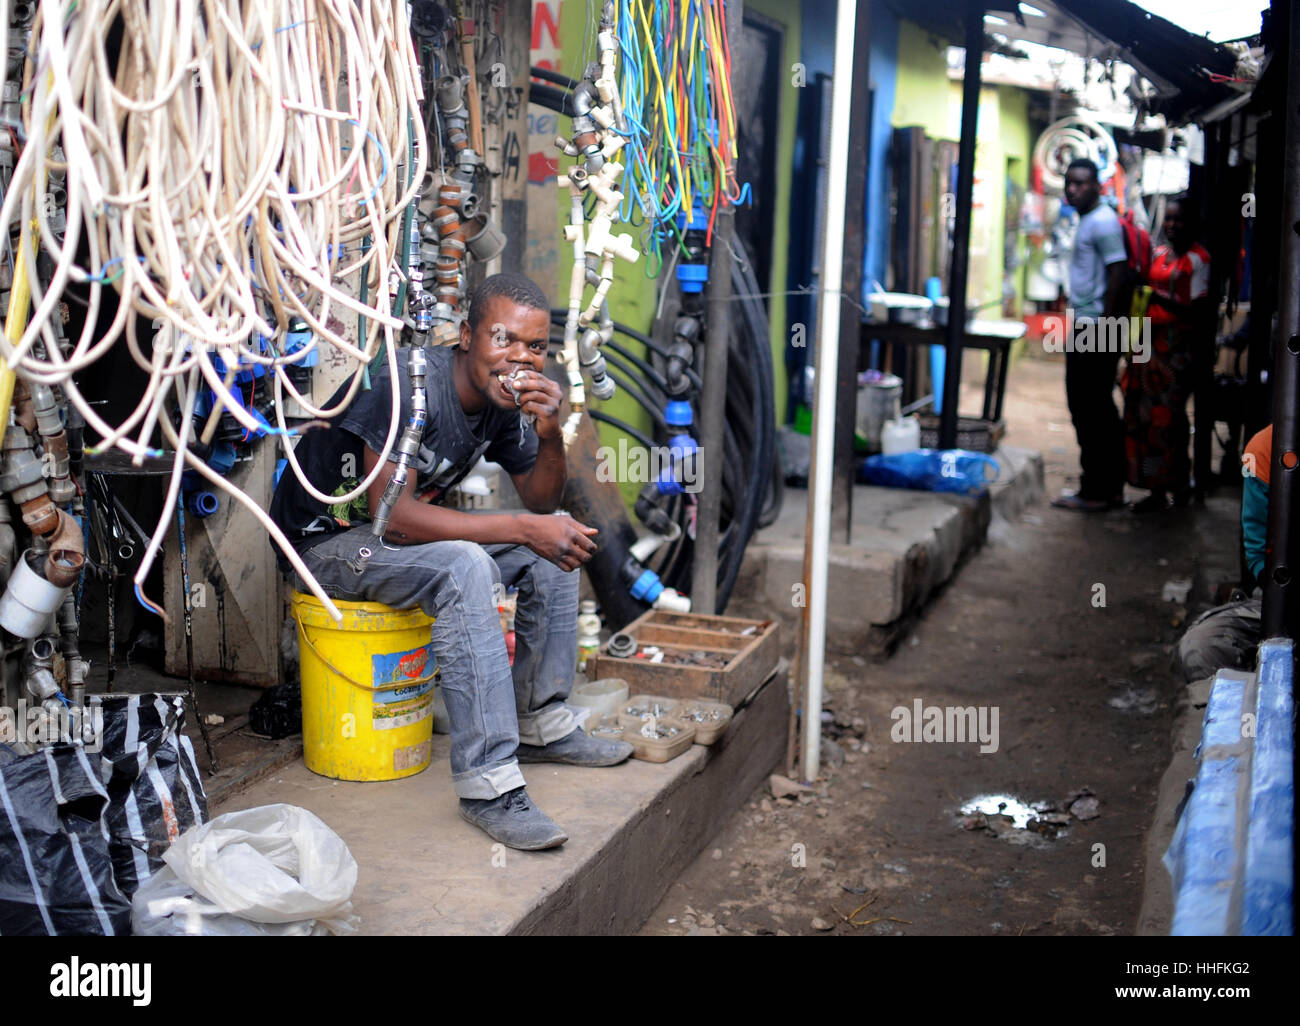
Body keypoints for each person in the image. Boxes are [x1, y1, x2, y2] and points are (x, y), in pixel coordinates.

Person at [269, 272, 633, 851]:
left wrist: (548, 436)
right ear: (466, 335)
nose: (520, 358)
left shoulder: (505, 402)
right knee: (466, 565)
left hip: (393, 541)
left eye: (535, 346)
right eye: (503, 339)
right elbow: (397, 517)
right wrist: (521, 526)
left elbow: (541, 502)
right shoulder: (411, 386)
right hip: (327, 544)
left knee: (556, 546)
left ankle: (540, 723)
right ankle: (488, 785)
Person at [1051, 158, 1131, 512]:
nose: (1073, 189)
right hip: (1089, 323)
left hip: (1096, 326)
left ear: (1098, 186)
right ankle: (1107, 486)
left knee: (1088, 406)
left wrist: (1105, 328)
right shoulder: (1087, 219)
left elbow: (1119, 271)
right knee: (1094, 405)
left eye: (1081, 183)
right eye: (1069, 182)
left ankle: (1097, 490)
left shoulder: (1102, 222)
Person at [1122, 196, 1210, 512]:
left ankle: (1180, 486)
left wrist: (1157, 301)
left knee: (1169, 421)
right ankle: (1154, 489)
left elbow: (1199, 313)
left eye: (1179, 219)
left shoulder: (1199, 261)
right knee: (1145, 422)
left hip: (1176, 352)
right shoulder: (1159, 254)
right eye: (1169, 219)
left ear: (1192, 223)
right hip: (1148, 349)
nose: (1172, 225)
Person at [1176, 425, 1270, 682]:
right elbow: (1258, 553)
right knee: (1202, 649)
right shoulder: (1265, 449)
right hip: (1280, 602)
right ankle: (1236, 718)